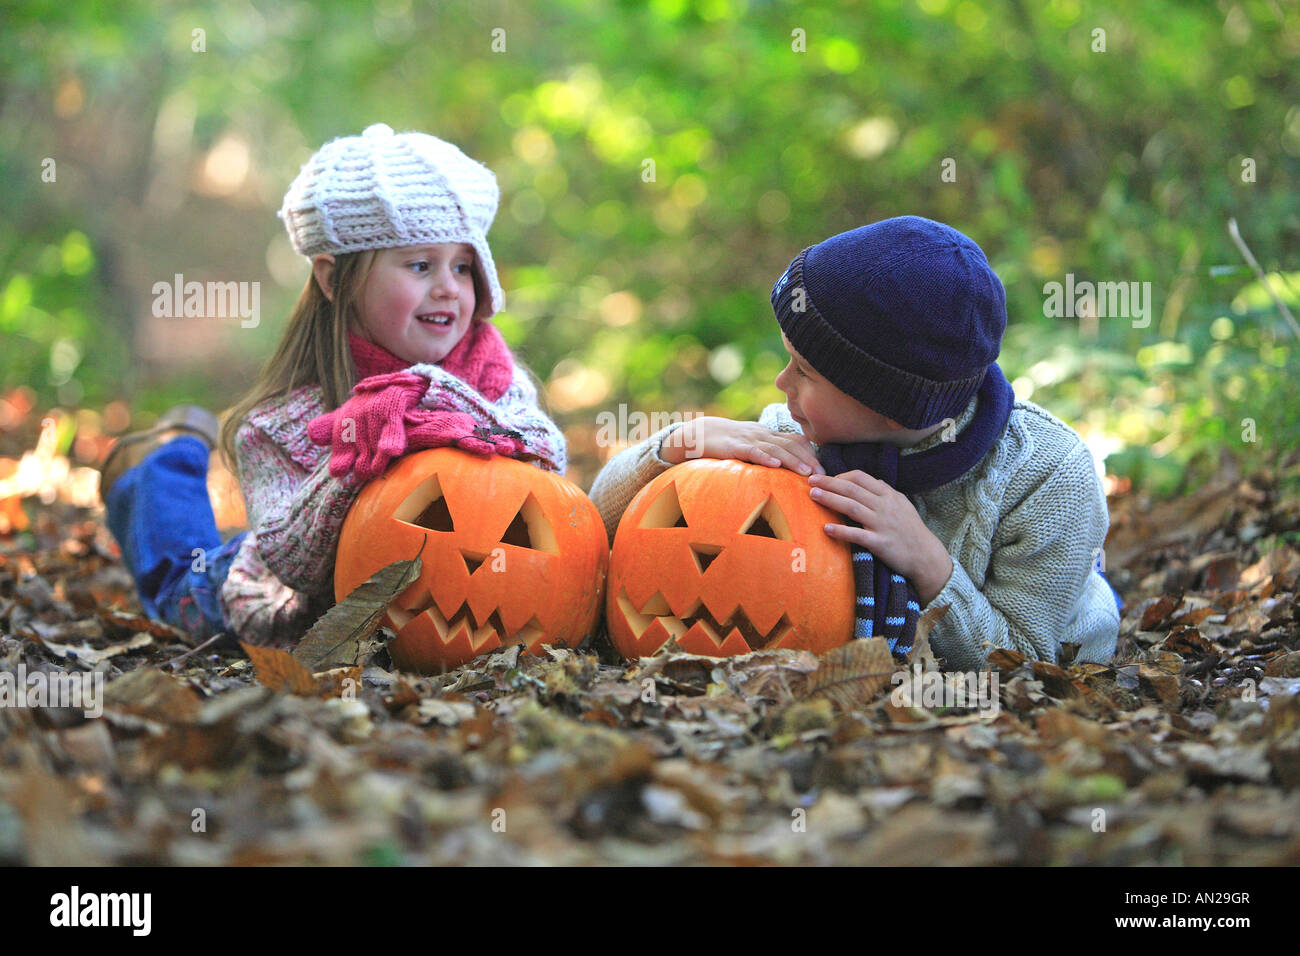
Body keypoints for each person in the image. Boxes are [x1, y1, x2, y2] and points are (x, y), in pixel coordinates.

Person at [98, 124, 565, 648]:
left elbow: (547, 463)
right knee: (176, 581)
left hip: (417, 600)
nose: (448, 288)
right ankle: (161, 465)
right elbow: (294, 563)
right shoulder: (280, 424)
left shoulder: (495, 382)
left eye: (462, 266)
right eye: (419, 265)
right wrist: (355, 461)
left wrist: (420, 406)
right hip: (264, 600)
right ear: (331, 277)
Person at [590, 216, 1121, 671]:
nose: (781, 385)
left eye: (805, 372)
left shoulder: (1050, 474)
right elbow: (596, 531)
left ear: (884, 401)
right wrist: (672, 449)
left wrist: (931, 568)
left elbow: (1028, 656)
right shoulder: (793, 437)